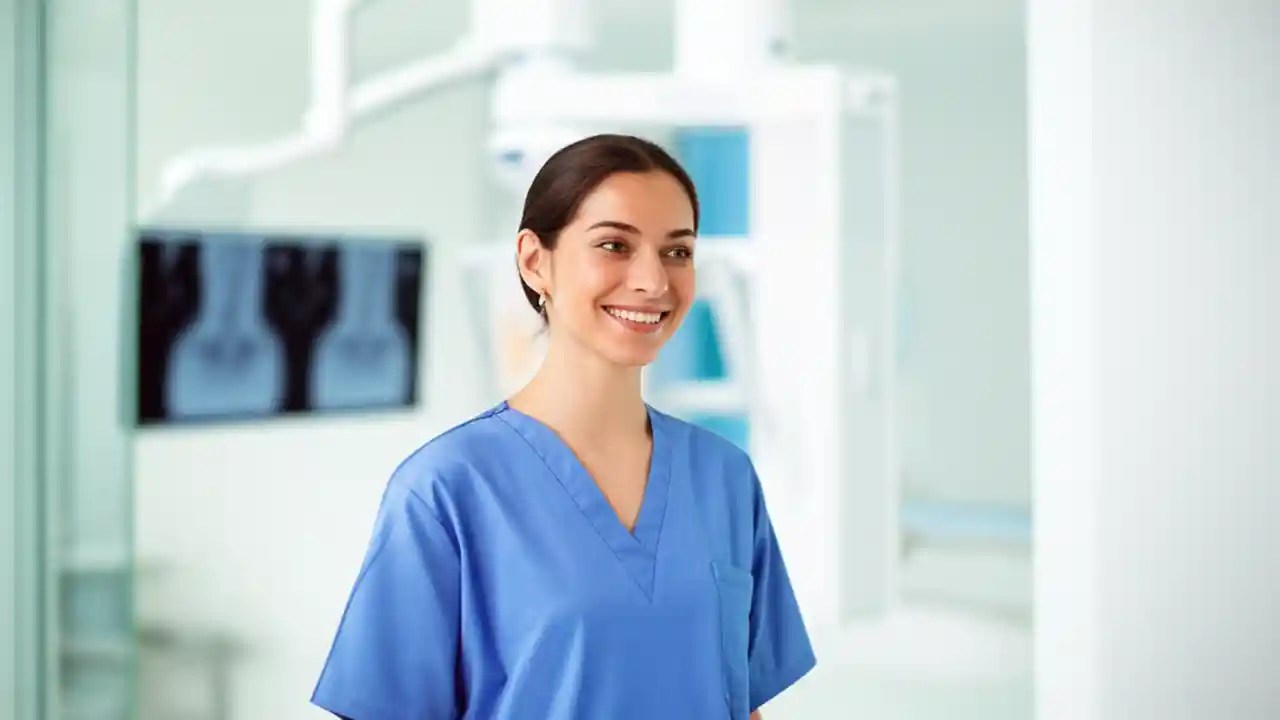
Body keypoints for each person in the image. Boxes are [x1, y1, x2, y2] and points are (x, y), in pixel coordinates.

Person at [310, 134, 815, 719]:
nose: (654, 280)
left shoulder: (723, 477)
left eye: (677, 251)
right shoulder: (447, 488)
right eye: (614, 245)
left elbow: (742, 703)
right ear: (534, 261)